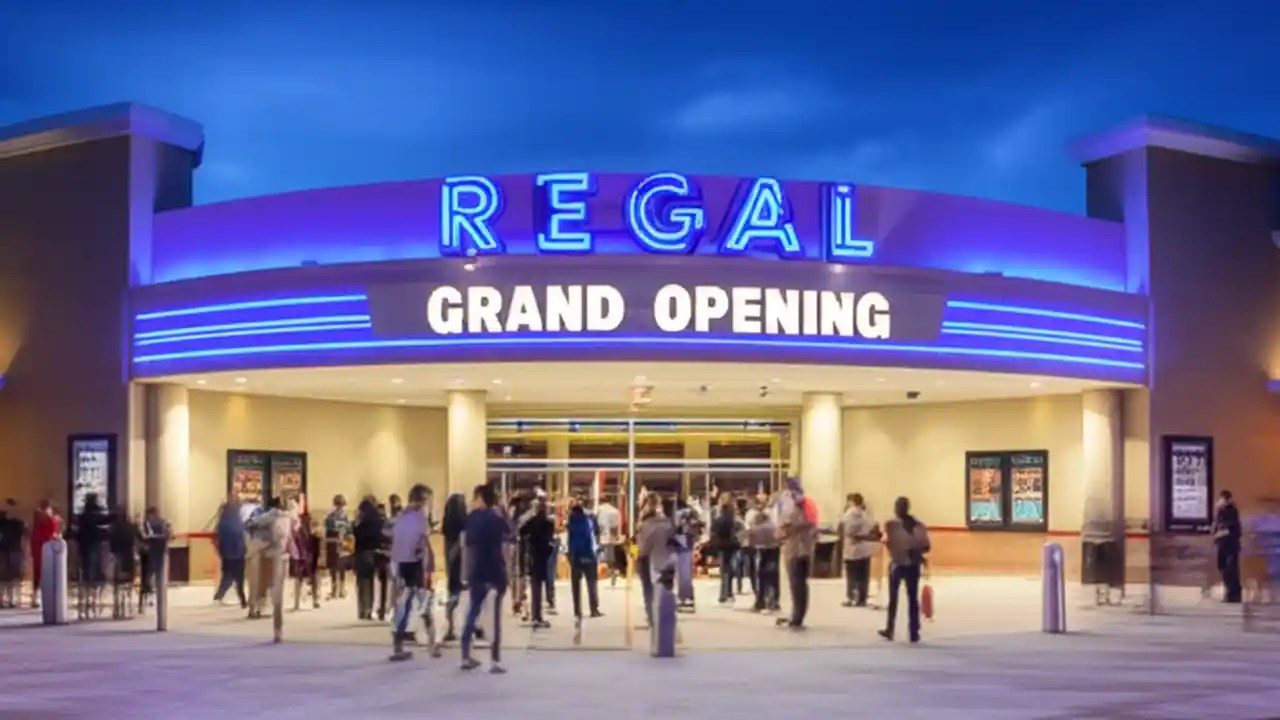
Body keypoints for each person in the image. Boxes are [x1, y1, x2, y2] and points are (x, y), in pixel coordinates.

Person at [460, 483, 509, 673]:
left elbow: (466, 544)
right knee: (495, 616)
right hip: (495, 570)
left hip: (477, 571)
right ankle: (495, 661)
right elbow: (510, 533)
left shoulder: (471, 518)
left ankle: (465, 655)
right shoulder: (496, 517)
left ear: (480, 498)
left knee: (473, 612)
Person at [389, 484, 439, 660]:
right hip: (416, 566)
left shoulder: (399, 518)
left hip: (400, 566)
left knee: (403, 606)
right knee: (424, 604)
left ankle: (398, 646)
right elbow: (422, 546)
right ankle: (433, 644)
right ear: (423, 501)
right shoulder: (420, 519)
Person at [879, 496, 931, 644]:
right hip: (910, 564)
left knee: (898, 598)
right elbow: (927, 546)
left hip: (900, 564)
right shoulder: (918, 526)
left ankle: (896, 629)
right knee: (909, 598)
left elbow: (885, 541)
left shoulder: (893, 525)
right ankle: (911, 631)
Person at [776, 478, 817, 630]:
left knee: (795, 585)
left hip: (793, 550)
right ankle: (799, 615)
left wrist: (780, 534)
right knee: (803, 585)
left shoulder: (788, 506)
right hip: (807, 550)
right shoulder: (808, 505)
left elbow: (784, 530)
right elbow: (813, 526)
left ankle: (796, 617)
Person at [635, 496, 675, 627]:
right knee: (665, 588)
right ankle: (664, 615)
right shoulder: (668, 523)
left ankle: (652, 616)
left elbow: (644, 547)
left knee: (648, 589)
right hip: (666, 559)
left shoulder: (645, 524)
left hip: (647, 558)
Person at [520, 497, 556, 629]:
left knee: (535, 588)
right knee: (544, 585)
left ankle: (536, 615)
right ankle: (538, 615)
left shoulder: (532, 522)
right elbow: (551, 537)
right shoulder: (548, 523)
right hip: (544, 557)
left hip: (533, 557)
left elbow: (521, 530)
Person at [74, 493, 110, 617]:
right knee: (96, 571)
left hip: (84, 547)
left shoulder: (82, 516)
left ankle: (87, 598)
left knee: (86, 572)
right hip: (94, 545)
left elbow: (76, 532)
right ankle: (94, 597)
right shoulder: (96, 514)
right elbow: (105, 521)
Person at [841, 493, 879, 607]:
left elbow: (845, 529)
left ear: (852, 502)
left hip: (852, 549)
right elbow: (874, 528)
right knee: (863, 575)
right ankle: (862, 599)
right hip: (865, 549)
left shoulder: (848, 514)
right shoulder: (865, 515)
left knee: (852, 574)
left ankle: (851, 597)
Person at [440, 492, 469, 642]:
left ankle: (450, 625)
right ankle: (469, 627)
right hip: (463, 562)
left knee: (453, 591)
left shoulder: (447, 525)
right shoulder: (465, 524)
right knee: (466, 596)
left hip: (451, 563)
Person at [567, 502, 602, 619]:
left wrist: (570, 555)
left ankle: (577, 610)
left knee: (575, 584)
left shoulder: (572, 521)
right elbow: (597, 534)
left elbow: (570, 539)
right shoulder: (590, 519)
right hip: (589, 555)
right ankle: (594, 609)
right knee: (592, 582)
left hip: (576, 556)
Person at [213, 495, 248, 608]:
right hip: (238, 553)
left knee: (228, 575)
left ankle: (220, 595)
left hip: (227, 553)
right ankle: (242, 599)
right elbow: (240, 536)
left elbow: (219, 538)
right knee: (238, 577)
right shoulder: (237, 522)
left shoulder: (223, 522)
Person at [353, 498, 383, 620]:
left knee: (362, 583)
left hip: (362, 554)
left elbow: (356, 536)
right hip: (375, 553)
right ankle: (370, 609)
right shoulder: (378, 522)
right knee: (371, 583)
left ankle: (363, 609)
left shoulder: (360, 524)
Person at [748, 504, 781, 612]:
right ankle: (774, 601)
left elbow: (751, 543)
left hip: (762, 554)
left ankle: (760, 601)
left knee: (762, 578)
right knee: (773, 578)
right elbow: (780, 540)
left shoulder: (756, 529)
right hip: (774, 553)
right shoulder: (773, 527)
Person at [139, 506, 171, 613]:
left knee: (151, 576)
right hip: (155, 554)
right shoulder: (159, 523)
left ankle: (152, 595)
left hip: (154, 554)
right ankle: (151, 595)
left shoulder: (159, 524)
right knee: (151, 576)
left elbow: (145, 538)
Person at [1213, 490, 1243, 604]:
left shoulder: (1232, 511)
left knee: (1231, 569)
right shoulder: (1219, 511)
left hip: (1230, 545)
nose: (1221, 502)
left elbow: (1232, 528)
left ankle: (1233, 594)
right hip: (1222, 545)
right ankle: (1229, 593)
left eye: (1224, 499)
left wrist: (1220, 533)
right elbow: (1216, 525)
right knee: (1224, 568)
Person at [673, 496, 702, 612]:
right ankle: (688, 597)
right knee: (687, 571)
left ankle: (683, 597)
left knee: (682, 571)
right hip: (688, 541)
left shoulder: (679, 514)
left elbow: (675, 526)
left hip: (680, 541)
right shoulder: (694, 512)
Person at [712, 493, 741, 605]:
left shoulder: (720, 517)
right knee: (729, 569)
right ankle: (728, 593)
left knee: (724, 570)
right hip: (732, 545)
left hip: (722, 544)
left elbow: (715, 530)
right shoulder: (734, 517)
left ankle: (723, 594)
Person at [29, 500, 59, 608]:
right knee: (41, 574)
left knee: (40, 575)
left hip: (43, 550)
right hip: (43, 550)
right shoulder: (49, 520)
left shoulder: (47, 521)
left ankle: (37, 597)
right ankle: (38, 597)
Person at [289, 509, 319, 611]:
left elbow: (316, 546)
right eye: (305, 520)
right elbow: (297, 545)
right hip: (301, 558)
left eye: (308, 520)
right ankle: (296, 603)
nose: (307, 521)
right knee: (298, 580)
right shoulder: (298, 533)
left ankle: (315, 600)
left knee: (314, 578)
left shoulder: (313, 533)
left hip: (311, 558)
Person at [323, 495, 352, 600]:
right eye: (339, 504)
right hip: (337, 543)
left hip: (338, 543)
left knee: (338, 566)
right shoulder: (341, 517)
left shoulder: (335, 517)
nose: (340, 507)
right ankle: (338, 589)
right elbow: (348, 531)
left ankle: (339, 589)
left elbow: (349, 531)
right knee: (337, 566)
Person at [0, 499, 25, 609]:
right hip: (10, 550)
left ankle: (8, 599)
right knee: (9, 577)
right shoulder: (18, 523)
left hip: (10, 550)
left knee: (8, 577)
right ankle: (10, 599)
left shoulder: (17, 523)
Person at [596, 497, 624, 587]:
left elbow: (595, 525)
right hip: (611, 539)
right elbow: (615, 527)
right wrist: (615, 537)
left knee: (601, 558)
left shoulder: (598, 510)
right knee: (610, 558)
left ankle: (601, 575)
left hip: (600, 538)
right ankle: (613, 572)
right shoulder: (615, 511)